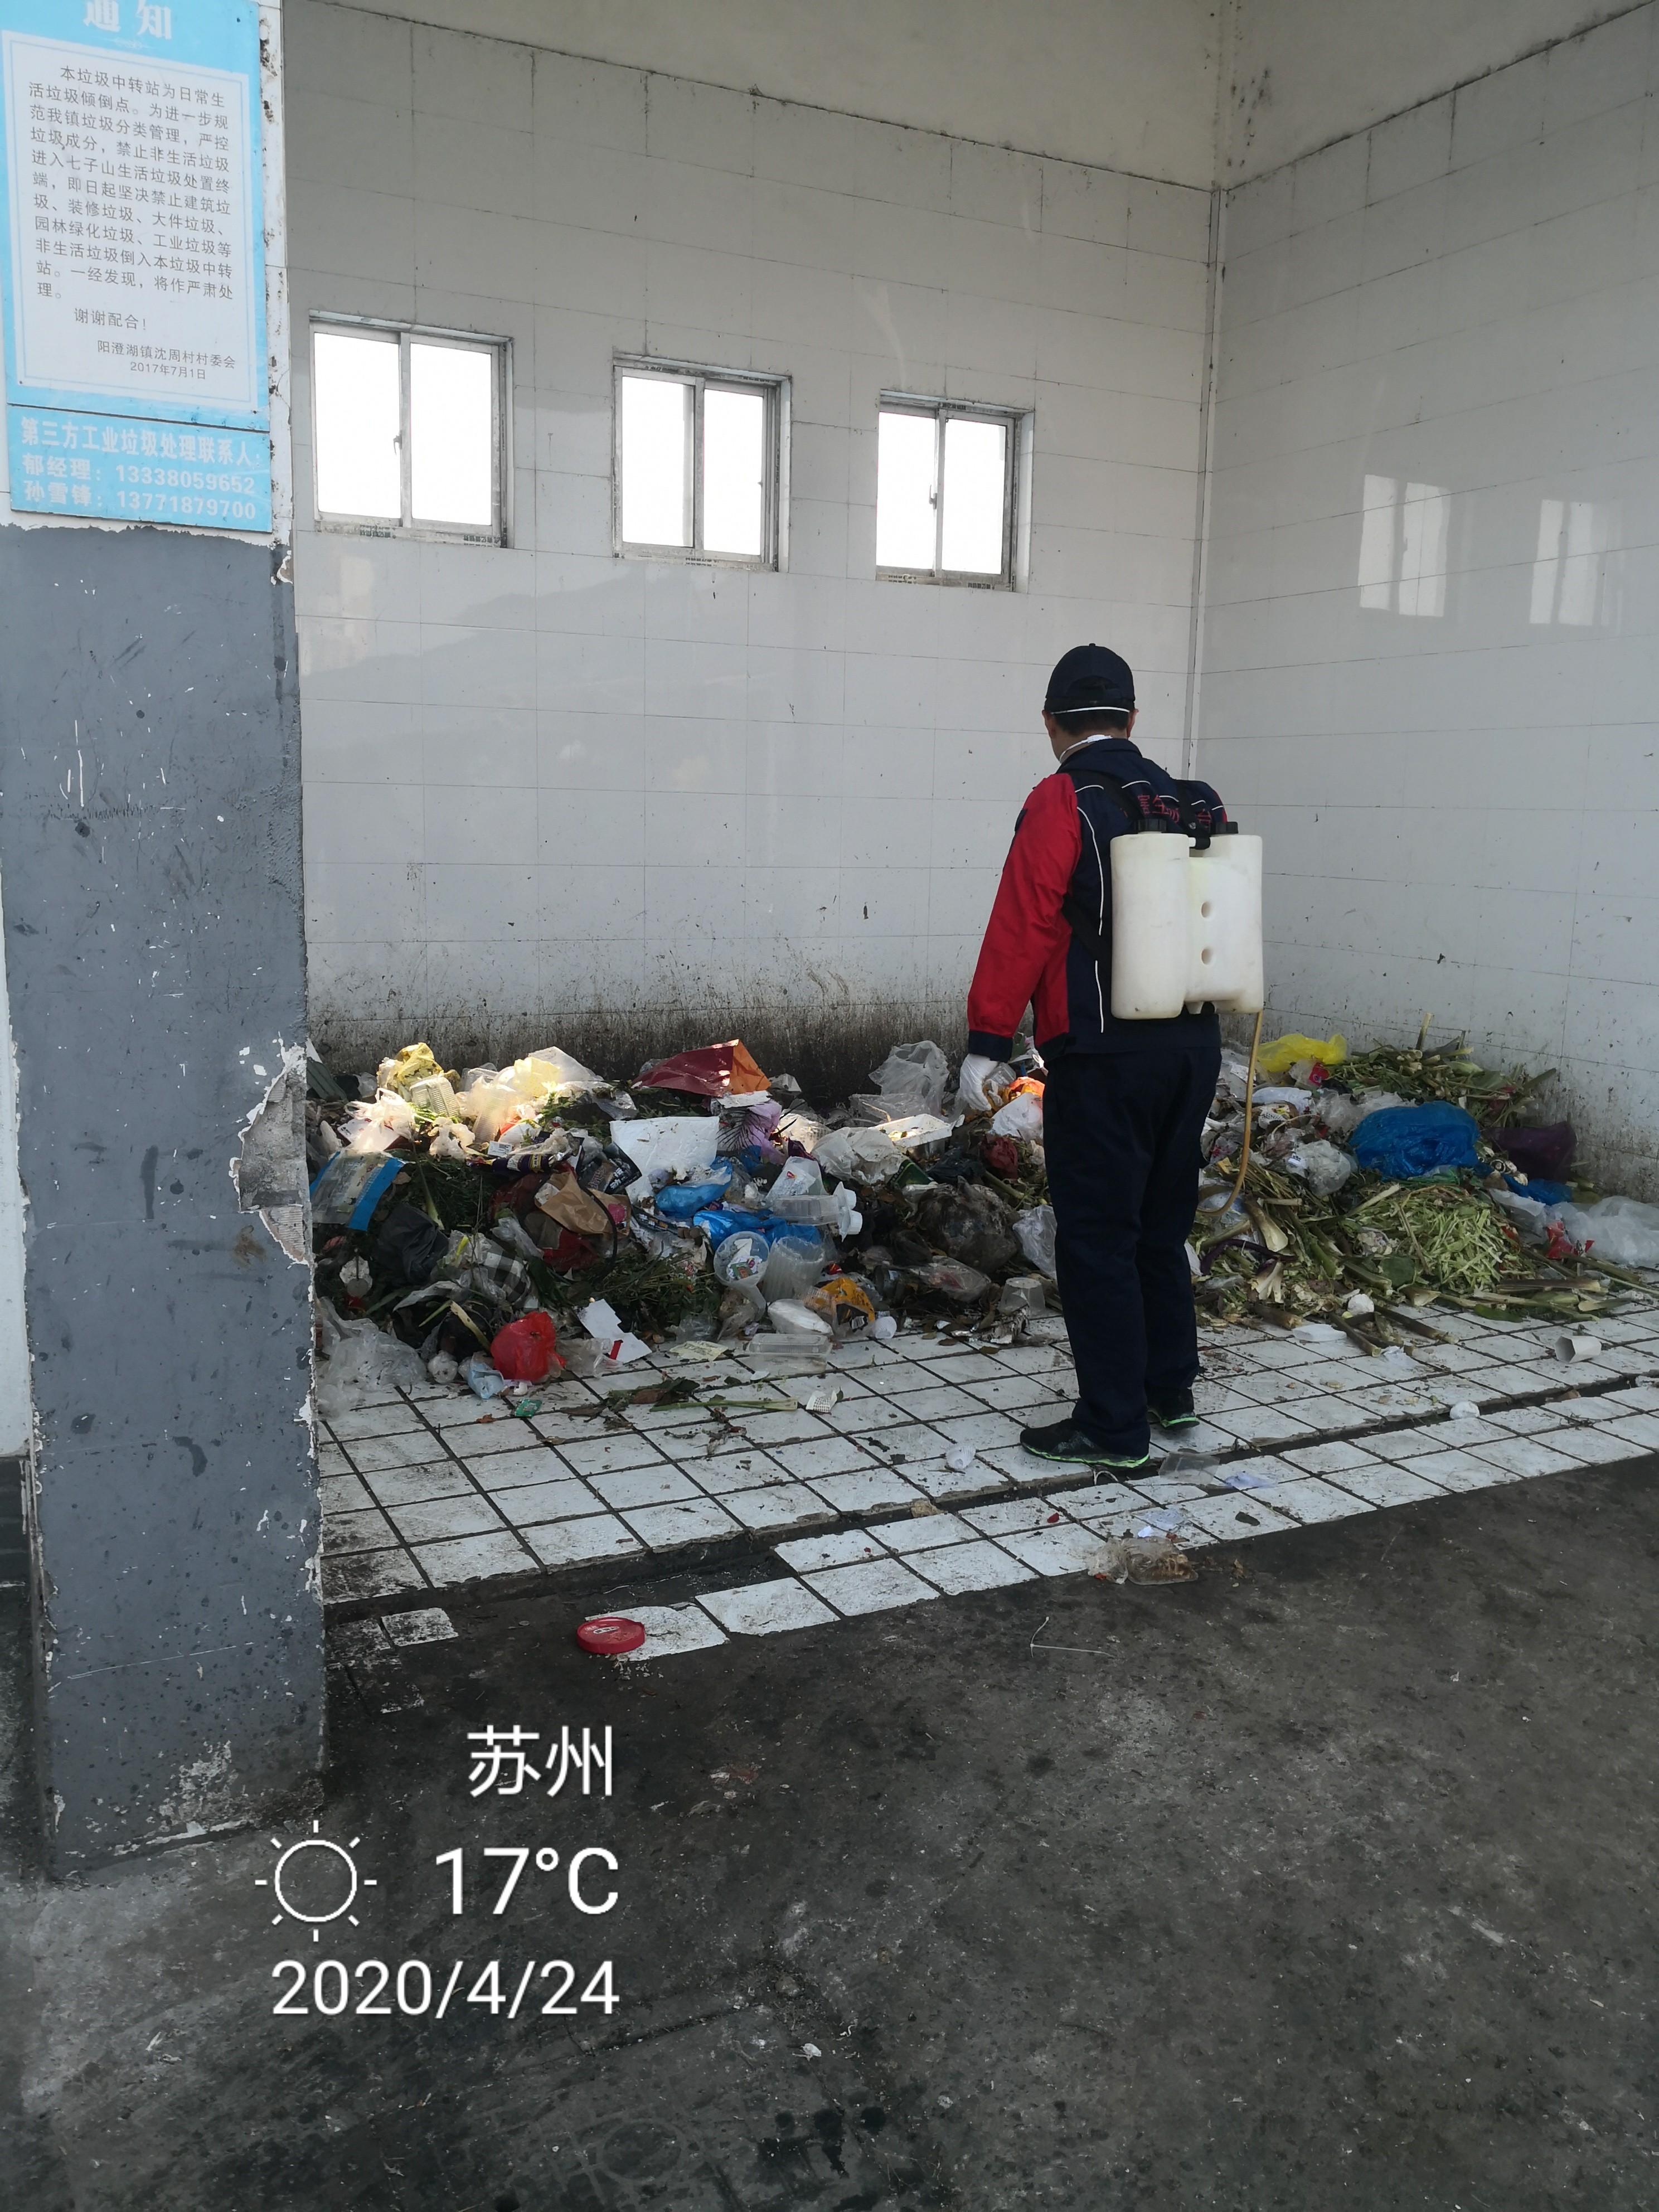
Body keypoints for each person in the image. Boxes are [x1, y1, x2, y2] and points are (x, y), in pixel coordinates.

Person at [958, 643, 1229, 1469]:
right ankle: (1168, 1392)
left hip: (1106, 1055)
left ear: (1051, 723)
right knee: (1161, 1228)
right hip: (1194, 1047)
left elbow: (1024, 922)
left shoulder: (1062, 800)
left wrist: (986, 1041)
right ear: (1132, 719)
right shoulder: (1192, 800)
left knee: (1099, 1239)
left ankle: (1113, 1428)